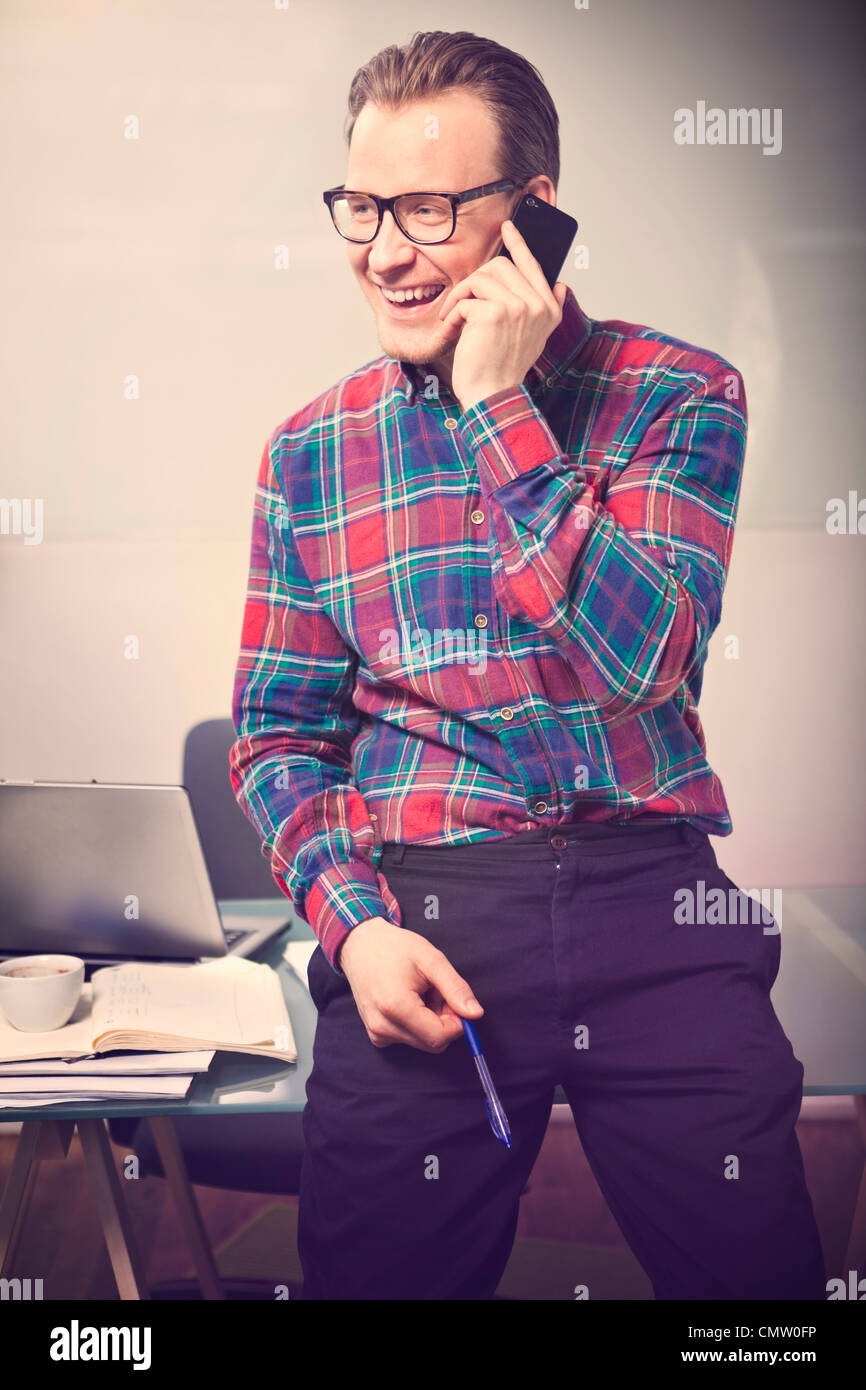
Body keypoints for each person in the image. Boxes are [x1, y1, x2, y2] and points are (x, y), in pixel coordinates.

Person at [229, 30, 826, 1300]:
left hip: (652, 899)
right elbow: (279, 735)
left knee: (759, 1302)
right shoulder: (308, 454)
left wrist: (500, 411)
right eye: (362, 207)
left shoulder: (677, 392)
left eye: (430, 209)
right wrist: (354, 933)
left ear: (533, 221)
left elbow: (641, 656)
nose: (385, 251)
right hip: (425, 914)